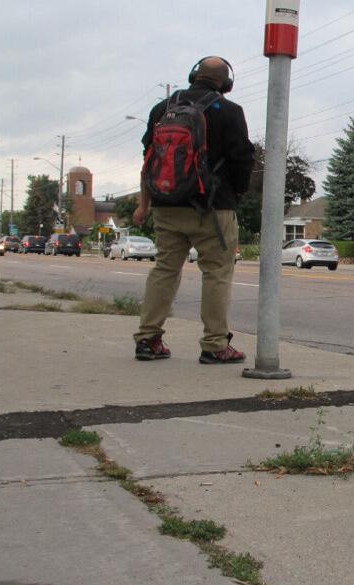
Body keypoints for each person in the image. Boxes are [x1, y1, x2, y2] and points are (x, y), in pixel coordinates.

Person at [132, 56, 255, 364]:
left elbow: (148, 157)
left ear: (192, 76)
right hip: (213, 208)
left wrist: (144, 203)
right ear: (225, 83)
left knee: (165, 269)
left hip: (166, 203)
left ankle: (148, 339)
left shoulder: (162, 110)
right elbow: (243, 159)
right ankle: (214, 345)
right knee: (216, 273)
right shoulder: (229, 111)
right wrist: (236, 194)